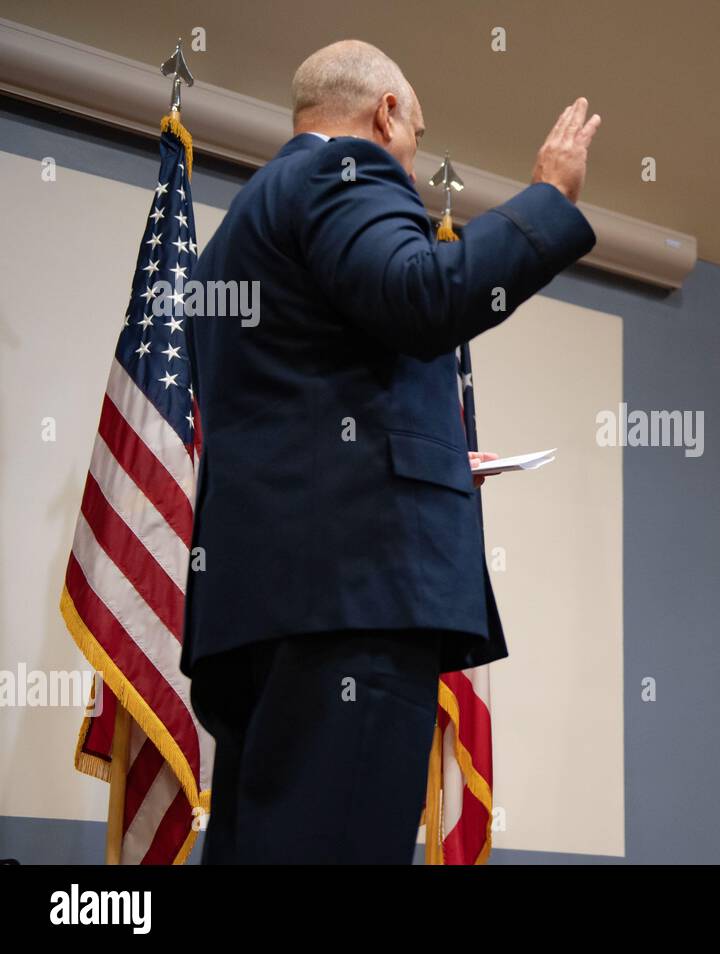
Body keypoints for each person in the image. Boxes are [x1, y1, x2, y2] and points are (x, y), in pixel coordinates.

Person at [182, 39, 601, 863]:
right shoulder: (347, 171)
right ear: (387, 113)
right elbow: (423, 294)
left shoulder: (236, 233)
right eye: (414, 133)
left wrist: (437, 460)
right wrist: (549, 196)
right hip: (353, 598)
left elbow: (298, 408)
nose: (409, 157)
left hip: (262, 605)